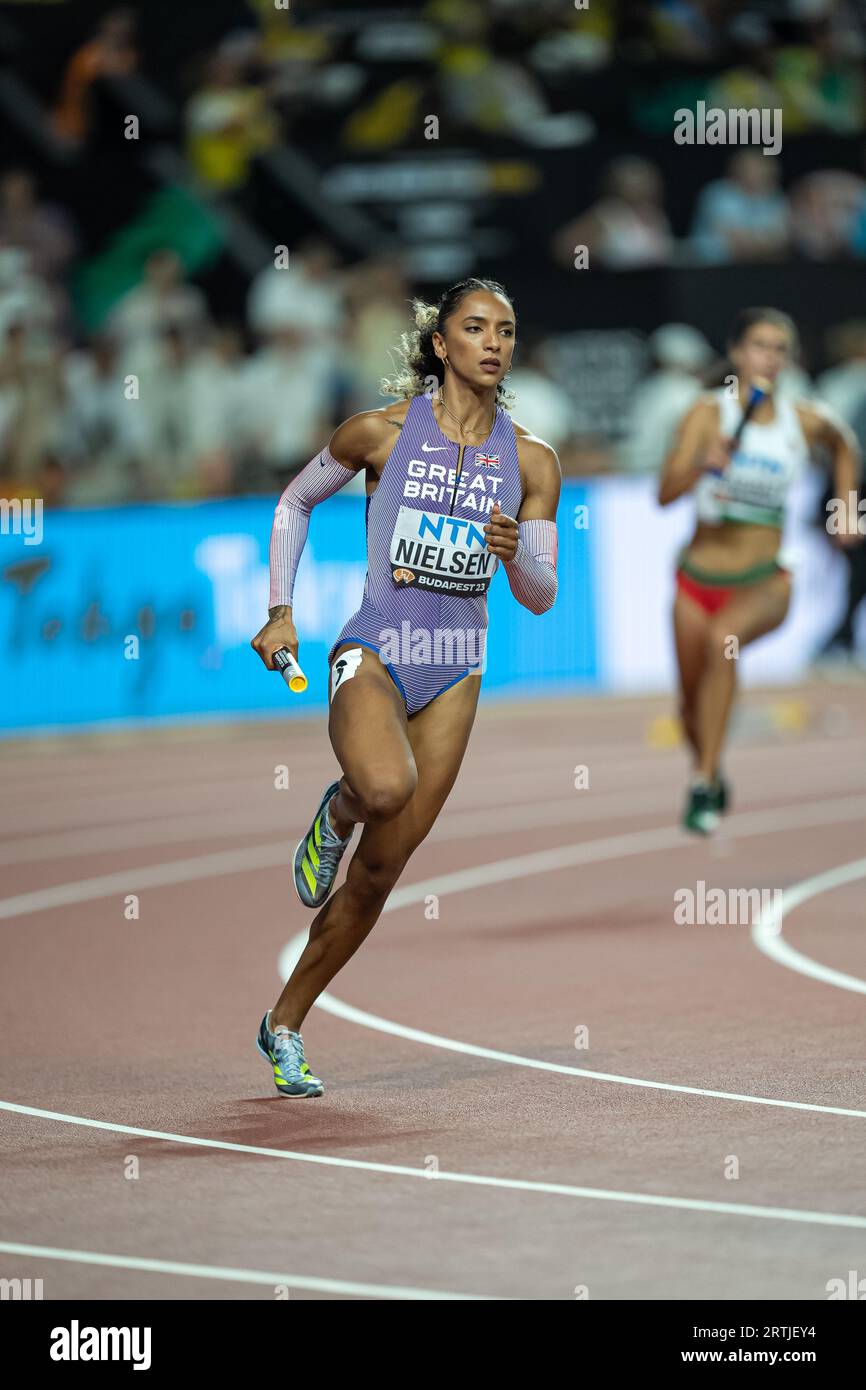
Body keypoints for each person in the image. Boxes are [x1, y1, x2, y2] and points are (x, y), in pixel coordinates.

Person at [249, 278, 560, 1095]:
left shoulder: (531, 461)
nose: (494, 343)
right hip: (378, 645)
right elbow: (294, 502)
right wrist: (280, 611)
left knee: (382, 874)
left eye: (507, 330)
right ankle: (341, 805)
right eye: (476, 328)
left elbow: (540, 593)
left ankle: (284, 1025)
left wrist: (513, 551)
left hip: (456, 666)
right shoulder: (379, 435)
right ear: (440, 344)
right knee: (385, 787)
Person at [658, 306, 860, 834]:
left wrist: (847, 507)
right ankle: (711, 767)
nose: (769, 357)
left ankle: (701, 785)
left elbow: (845, 444)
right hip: (697, 576)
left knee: (724, 642)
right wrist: (704, 461)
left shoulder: (804, 419)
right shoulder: (707, 413)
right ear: (737, 353)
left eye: (779, 349)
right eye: (759, 346)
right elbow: (664, 494)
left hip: (765, 580)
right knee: (687, 702)